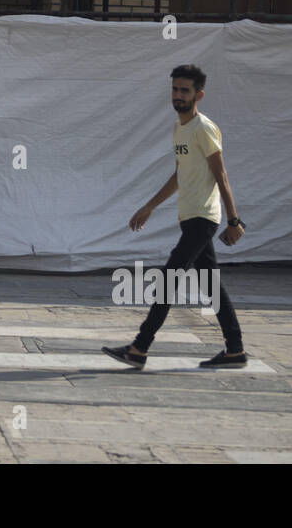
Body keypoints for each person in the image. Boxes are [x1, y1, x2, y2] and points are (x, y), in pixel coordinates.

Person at [103, 64, 249, 369]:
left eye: (185, 90)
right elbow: (181, 174)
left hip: (203, 218)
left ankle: (139, 348)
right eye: (175, 89)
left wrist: (234, 220)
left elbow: (221, 174)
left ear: (199, 94)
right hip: (190, 217)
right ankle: (235, 350)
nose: (178, 95)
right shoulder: (179, 129)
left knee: (168, 280)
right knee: (211, 285)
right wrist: (150, 206)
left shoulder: (203, 128)